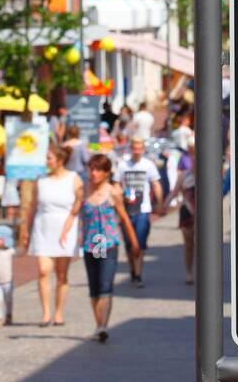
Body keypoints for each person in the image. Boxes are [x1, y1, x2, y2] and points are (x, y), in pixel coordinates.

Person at [20, 143, 83, 327]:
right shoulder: (41, 180)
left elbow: (79, 202)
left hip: (64, 228)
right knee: (43, 270)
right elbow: (32, 207)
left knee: (62, 274)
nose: (46, 161)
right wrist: (26, 229)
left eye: (49, 158)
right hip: (43, 227)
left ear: (60, 160)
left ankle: (59, 312)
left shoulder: (73, 178)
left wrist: (73, 225)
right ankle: (46, 312)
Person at [79, 155, 139, 342]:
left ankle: (103, 325)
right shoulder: (84, 192)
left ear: (106, 173)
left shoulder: (113, 192)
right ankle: (99, 324)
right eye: (91, 169)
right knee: (94, 288)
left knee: (106, 285)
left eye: (97, 170)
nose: (93, 173)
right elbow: (76, 214)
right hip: (91, 245)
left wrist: (134, 242)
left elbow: (124, 217)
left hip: (108, 244)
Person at [116, 136, 163, 287]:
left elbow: (156, 184)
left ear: (143, 149)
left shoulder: (148, 165)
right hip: (127, 209)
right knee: (129, 244)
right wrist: (118, 202)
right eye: (134, 148)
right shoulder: (123, 165)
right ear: (131, 149)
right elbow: (117, 185)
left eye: (139, 148)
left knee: (140, 243)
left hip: (143, 209)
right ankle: (132, 269)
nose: (137, 151)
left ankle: (138, 274)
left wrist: (160, 203)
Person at [163, 138, 196, 284]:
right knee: (188, 244)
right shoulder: (185, 175)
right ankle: (189, 272)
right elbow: (175, 191)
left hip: (203, 214)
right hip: (187, 211)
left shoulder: (208, 174)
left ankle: (203, 271)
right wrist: (165, 204)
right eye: (192, 156)